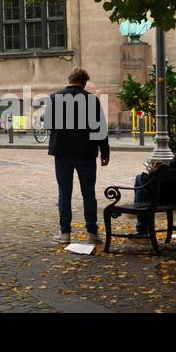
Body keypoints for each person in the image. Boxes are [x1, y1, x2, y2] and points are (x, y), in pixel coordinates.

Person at [47, 68, 110, 243]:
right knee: (88, 193)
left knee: (64, 193)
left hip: (62, 152)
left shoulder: (55, 98)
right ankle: (92, 233)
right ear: (85, 82)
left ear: (70, 79)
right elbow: (100, 128)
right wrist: (104, 152)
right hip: (86, 152)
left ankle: (65, 233)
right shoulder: (92, 100)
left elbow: (49, 124)